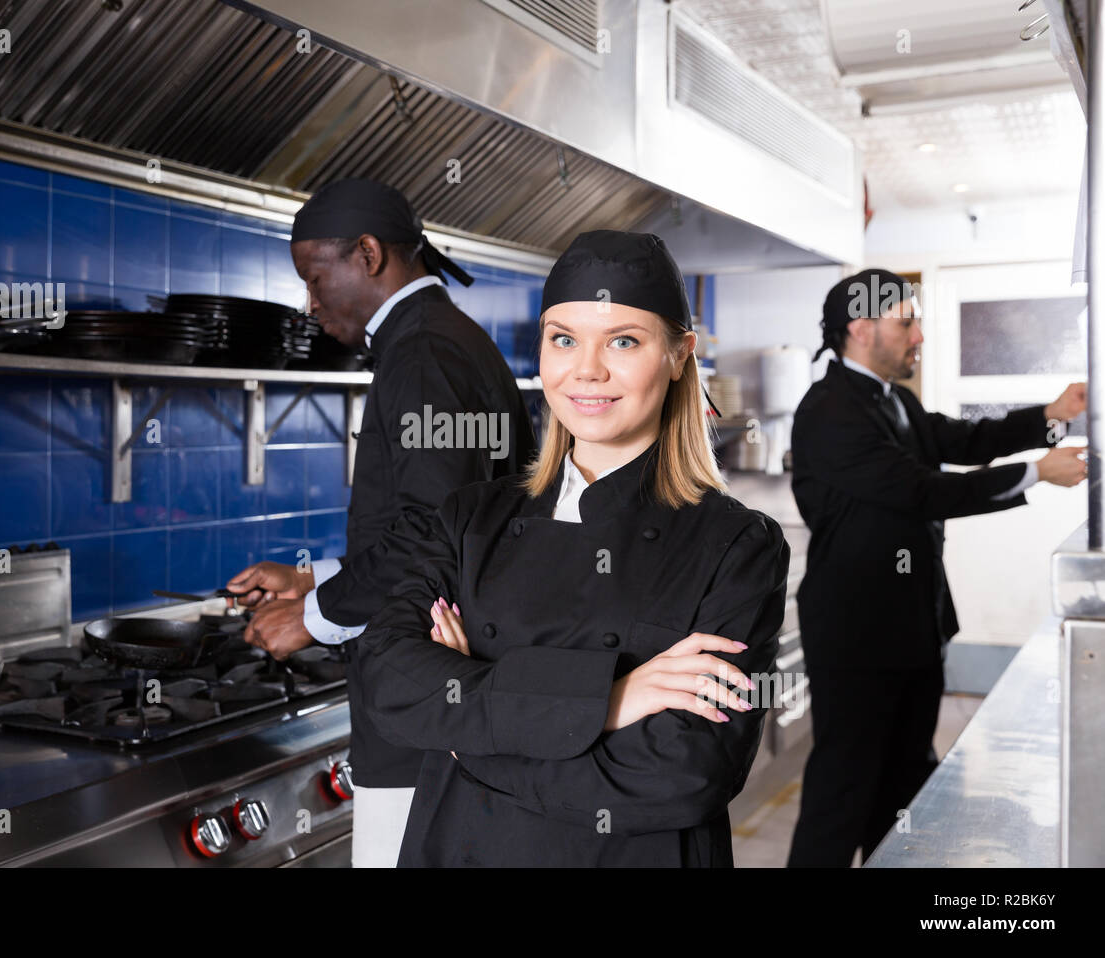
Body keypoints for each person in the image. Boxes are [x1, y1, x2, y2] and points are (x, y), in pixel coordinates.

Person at [353, 230, 790, 866]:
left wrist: (471, 736)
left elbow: (687, 771)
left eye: (623, 341)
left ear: (678, 355)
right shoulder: (471, 517)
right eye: (564, 339)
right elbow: (387, 679)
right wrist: (610, 701)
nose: (587, 370)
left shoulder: (737, 545)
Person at [225, 178, 536, 868]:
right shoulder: (449, 341)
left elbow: (434, 525)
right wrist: (313, 578)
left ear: (366, 254)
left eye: (315, 276)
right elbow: (444, 517)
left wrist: (315, 614)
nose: (310, 302)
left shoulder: (424, 354)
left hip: (426, 703)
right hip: (452, 690)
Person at [787, 268, 1087, 867]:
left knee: (903, 787)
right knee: (842, 791)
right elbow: (921, 492)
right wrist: (1037, 472)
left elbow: (965, 440)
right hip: (856, 637)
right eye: (907, 321)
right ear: (862, 327)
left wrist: (1053, 416)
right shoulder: (829, 411)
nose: (918, 335)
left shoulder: (895, 399)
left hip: (912, 630)